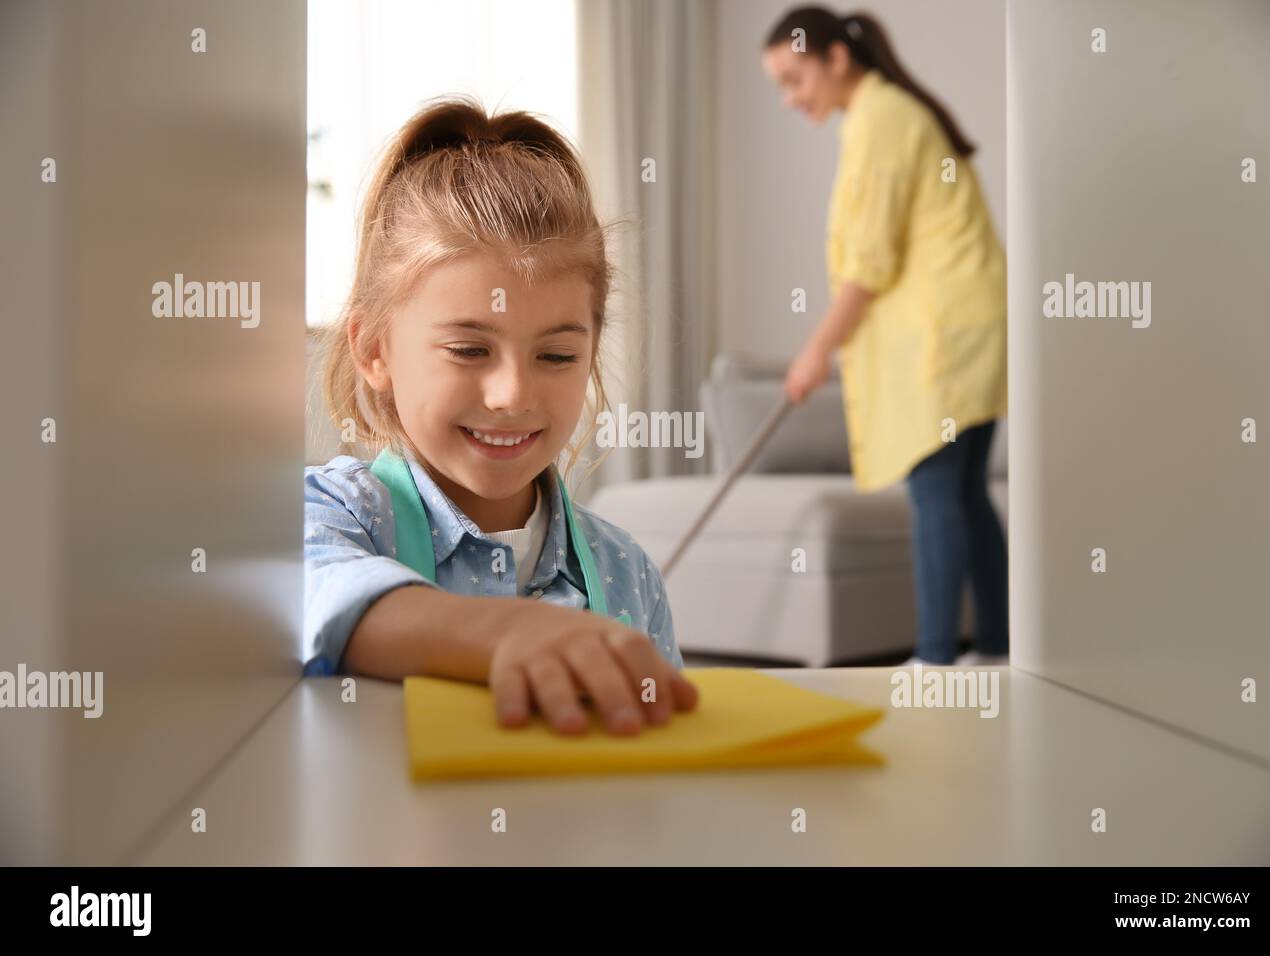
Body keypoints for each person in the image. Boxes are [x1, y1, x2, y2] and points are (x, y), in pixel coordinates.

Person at [303, 97, 700, 731]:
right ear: (374, 350)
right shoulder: (336, 516)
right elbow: (315, 596)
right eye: (469, 349)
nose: (512, 394)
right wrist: (505, 632)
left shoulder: (627, 574)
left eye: (556, 354)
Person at [762, 7, 1009, 666]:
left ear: (835, 59)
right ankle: (996, 650)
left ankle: (933, 660)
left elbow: (870, 264)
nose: (791, 99)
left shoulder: (881, 120)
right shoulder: (885, 114)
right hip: (967, 324)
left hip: (948, 333)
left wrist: (817, 350)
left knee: (936, 491)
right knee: (963, 491)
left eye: (795, 78)